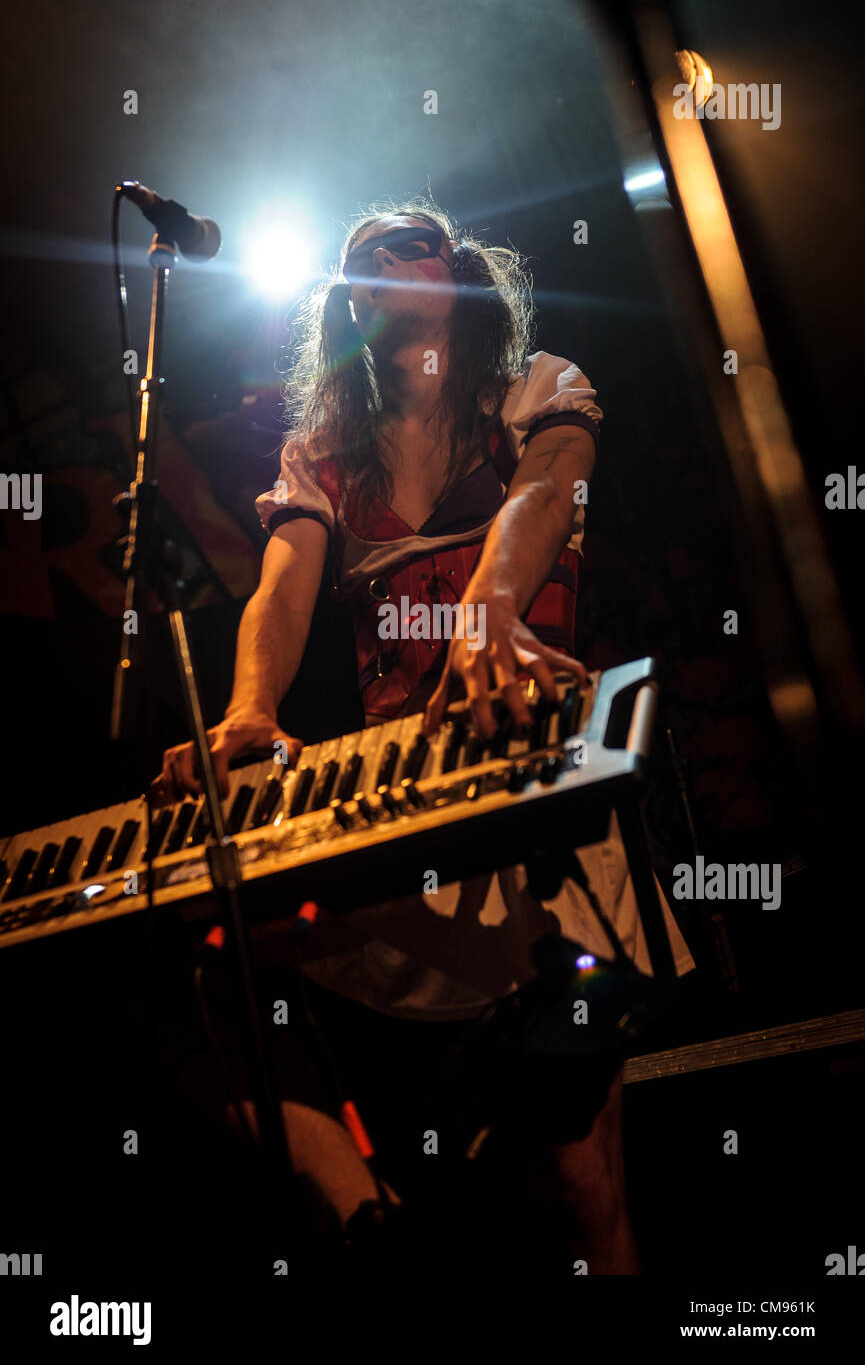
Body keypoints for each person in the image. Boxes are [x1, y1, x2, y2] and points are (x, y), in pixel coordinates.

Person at [153, 199, 695, 1274]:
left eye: (414, 241)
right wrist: (251, 708)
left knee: (584, 1181)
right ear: (348, 301)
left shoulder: (536, 387)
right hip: (403, 815)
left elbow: (544, 494)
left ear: (458, 275)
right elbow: (280, 588)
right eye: (363, 254)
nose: (389, 258)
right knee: (213, 983)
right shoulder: (322, 450)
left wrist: (487, 612)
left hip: (534, 783)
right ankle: (370, 1219)